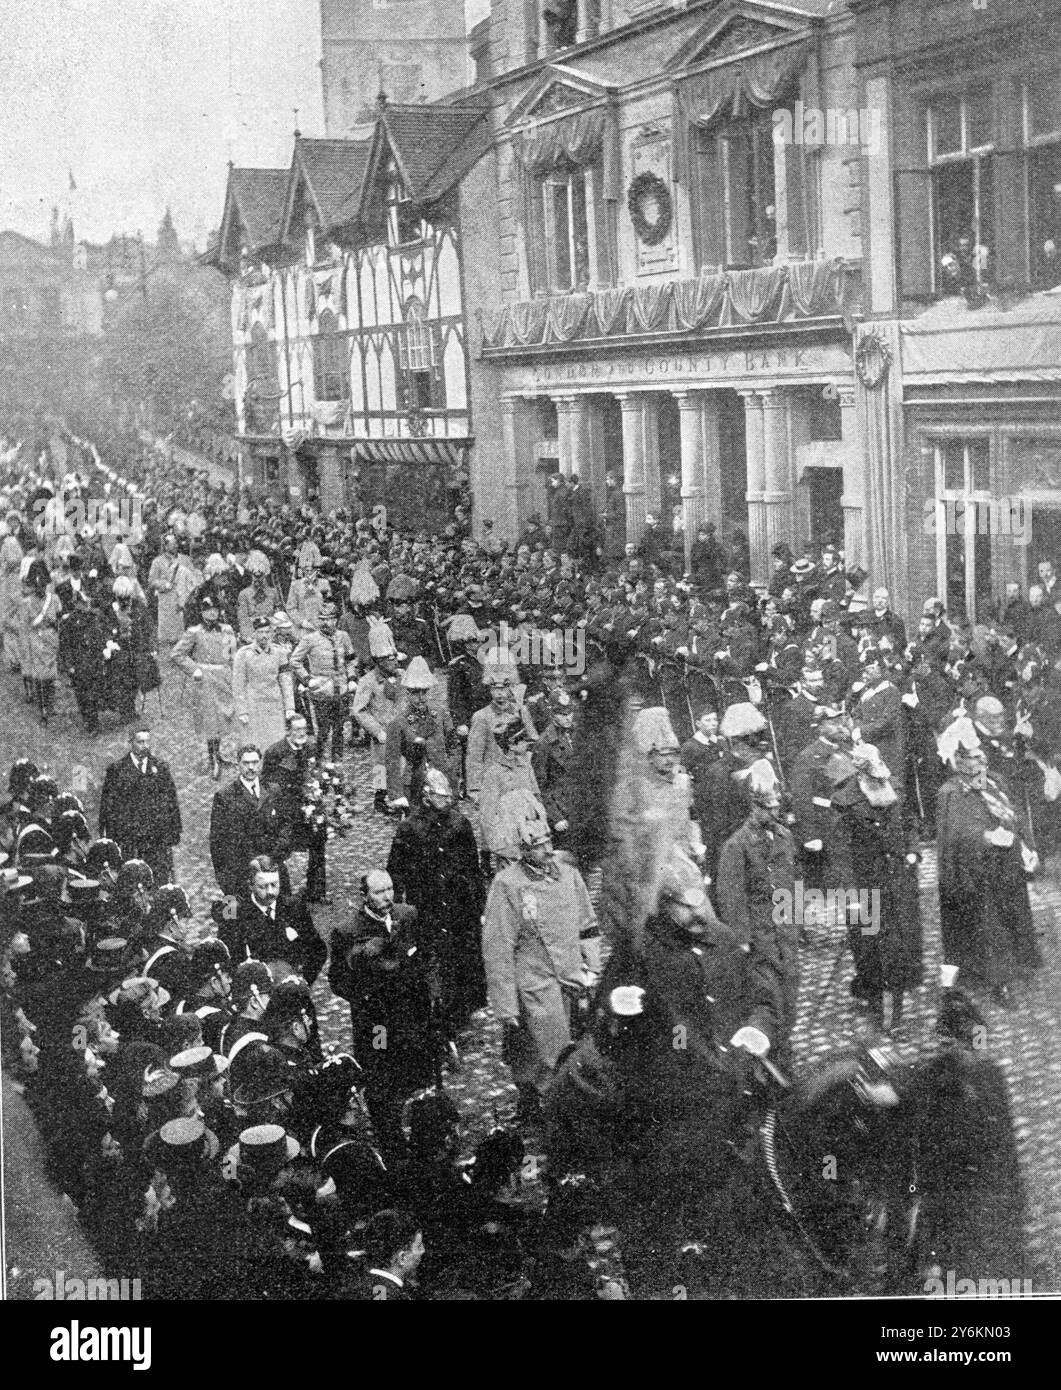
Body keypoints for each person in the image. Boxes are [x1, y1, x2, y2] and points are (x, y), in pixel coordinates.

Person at [481, 793, 600, 1124]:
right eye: (538, 846)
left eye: (549, 842)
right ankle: (539, 1108)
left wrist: (592, 968)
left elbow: (588, 926)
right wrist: (505, 1006)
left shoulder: (569, 875)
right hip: (534, 986)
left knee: (578, 1051)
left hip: (574, 981)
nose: (547, 851)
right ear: (523, 851)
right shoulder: (507, 885)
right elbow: (497, 948)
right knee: (539, 1058)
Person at [327, 869, 440, 1162]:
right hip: (377, 1025)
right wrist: (365, 997)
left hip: (413, 1017)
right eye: (379, 892)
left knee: (417, 1074)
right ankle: (392, 1146)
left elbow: (427, 957)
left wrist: (431, 993)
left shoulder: (409, 916)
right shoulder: (347, 931)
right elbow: (337, 981)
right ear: (364, 896)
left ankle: (426, 1134)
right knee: (381, 1080)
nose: (387, 896)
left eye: (390, 889)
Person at [936, 719, 1041, 1007]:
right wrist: (986, 836)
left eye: (982, 756)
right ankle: (1000, 982)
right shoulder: (951, 792)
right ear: (959, 762)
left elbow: (1014, 815)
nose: (980, 763)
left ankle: (1017, 965)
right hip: (977, 871)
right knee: (989, 925)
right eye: (973, 758)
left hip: (1006, 865)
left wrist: (1026, 847)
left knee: (1012, 917)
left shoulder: (995, 781)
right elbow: (954, 835)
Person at [386, 767, 487, 1039]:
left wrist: (479, 905)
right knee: (432, 962)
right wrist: (395, 909)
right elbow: (396, 871)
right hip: (427, 905)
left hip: (459, 905)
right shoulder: (409, 828)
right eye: (440, 796)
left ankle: (459, 1014)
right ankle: (438, 1016)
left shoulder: (459, 824)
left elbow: (473, 868)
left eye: (448, 796)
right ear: (427, 796)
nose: (446, 801)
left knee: (461, 961)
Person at [829, 742, 922, 1034]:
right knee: (870, 949)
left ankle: (893, 1017)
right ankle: (872, 996)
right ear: (859, 770)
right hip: (866, 889)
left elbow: (910, 823)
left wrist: (913, 850)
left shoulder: (893, 787)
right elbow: (840, 853)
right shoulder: (844, 802)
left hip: (899, 883)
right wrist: (851, 895)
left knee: (898, 947)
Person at [716, 759, 799, 1061]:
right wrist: (744, 940)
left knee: (789, 999)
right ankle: (769, 1060)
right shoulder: (736, 846)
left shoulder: (784, 837)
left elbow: (790, 883)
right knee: (768, 1003)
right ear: (751, 807)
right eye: (765, 808)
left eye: (775, 806)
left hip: (784, 934)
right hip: (760, 940)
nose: (773, 813)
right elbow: (731, 898)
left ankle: (784, 1052)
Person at [220, 856, 326, 985]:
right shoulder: (235, 913)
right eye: (263, 886)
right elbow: (227, 960)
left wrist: (305, 980)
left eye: (274, 885)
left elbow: (318, 949)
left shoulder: (294, 907)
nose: (270, 892)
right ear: (250, 885)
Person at [98, 726, 182, 886]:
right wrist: (107, 838)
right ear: (131, 743)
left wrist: (174, 830)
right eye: (140, 742)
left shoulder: (161, 768)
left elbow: (172, 801)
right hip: (129, 838)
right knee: (132, 880)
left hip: (156, 839)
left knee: (159, 879)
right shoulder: (117, 770)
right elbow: (107, 807)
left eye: (147, 741)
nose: (145, 745)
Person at [261, 713, 330, 904]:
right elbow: (266, 784)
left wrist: (319, 789)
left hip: (310, 808)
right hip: (287, 811)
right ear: (288, 731)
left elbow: (319, 772)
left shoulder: (311, 747)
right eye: (297, 729)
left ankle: (316, 891)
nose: (302, 733)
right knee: (281, 850)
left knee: (318, 845)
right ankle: (283, 895)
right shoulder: (275, 752)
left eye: (304, 729)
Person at [172, 593, 237, 779]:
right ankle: (213, 758)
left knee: (223, 717)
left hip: (223, 678)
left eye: (215, 610)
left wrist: (232, 674)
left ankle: (220, 754)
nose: (212, 614)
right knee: (210, 719)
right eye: (208, 610)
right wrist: (194, 669)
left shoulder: (227, 630)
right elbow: (176, 654)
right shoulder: (194, 632)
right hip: (205, 679)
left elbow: (231, 655)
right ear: (201, 612)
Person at [208, 746, 284, 899]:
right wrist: (226, 882)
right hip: (241, 876)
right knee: (237, 918)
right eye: (246, 763)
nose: (251, 767)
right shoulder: (225, 797)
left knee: (279, 916)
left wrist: (276, 854)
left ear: (260, 763)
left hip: (272, 871)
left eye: (255, 762)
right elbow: (217, 841)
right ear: (238, 764)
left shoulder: (273, 790)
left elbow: (285, 826)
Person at [384, 656, 457, 812]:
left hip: (443, 779)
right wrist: (397, 794)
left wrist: (452, 771)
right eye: (415, 693)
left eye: (424, 692)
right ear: (408, 693)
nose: (421, 698)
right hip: (415, 783)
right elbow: (392, 759)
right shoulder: (399, 721)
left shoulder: (440, 714)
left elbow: (452, 744)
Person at [290, 600, 355, 762]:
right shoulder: (310, 639)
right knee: (324, 730)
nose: (326, 623)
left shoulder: (343, 636)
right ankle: (318, 761)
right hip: (321, 691)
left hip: (341, 690)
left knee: (339, 729)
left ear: (336, 620)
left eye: (330, 619)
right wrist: (307, 680)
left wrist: (352, 678)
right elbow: (295, 661)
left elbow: (351, 659)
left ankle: (336, 763)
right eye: (323, 619)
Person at [352, 620, 405, 815]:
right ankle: (380, 798)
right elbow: (359, 710)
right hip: (382, 731)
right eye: (389, 660)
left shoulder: (402, 677)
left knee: (401, 765)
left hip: (401, 729)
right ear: (379, 661)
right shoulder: (368, 681)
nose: (394, 662)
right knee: (380, 766)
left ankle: (399, 797)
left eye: (395, 658)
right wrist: (377, 730)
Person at [233, 616, 295, 756]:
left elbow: (286, 681)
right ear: (254, 634)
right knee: (254, 744)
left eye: (267, 632)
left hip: (274, 705)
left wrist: (290, 707)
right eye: (260, 632)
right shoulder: (243, 654)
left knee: (276, 742)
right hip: (254, 705)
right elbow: (238, 685)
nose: (264, 636)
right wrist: (242, 710)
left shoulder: (279, 653)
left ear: (272, 633)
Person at [354, 1209, 425, 1301]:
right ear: (402, 1257)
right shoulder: (396, 1295)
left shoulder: (353, 1288)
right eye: (419, 1246)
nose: (423, 1251)